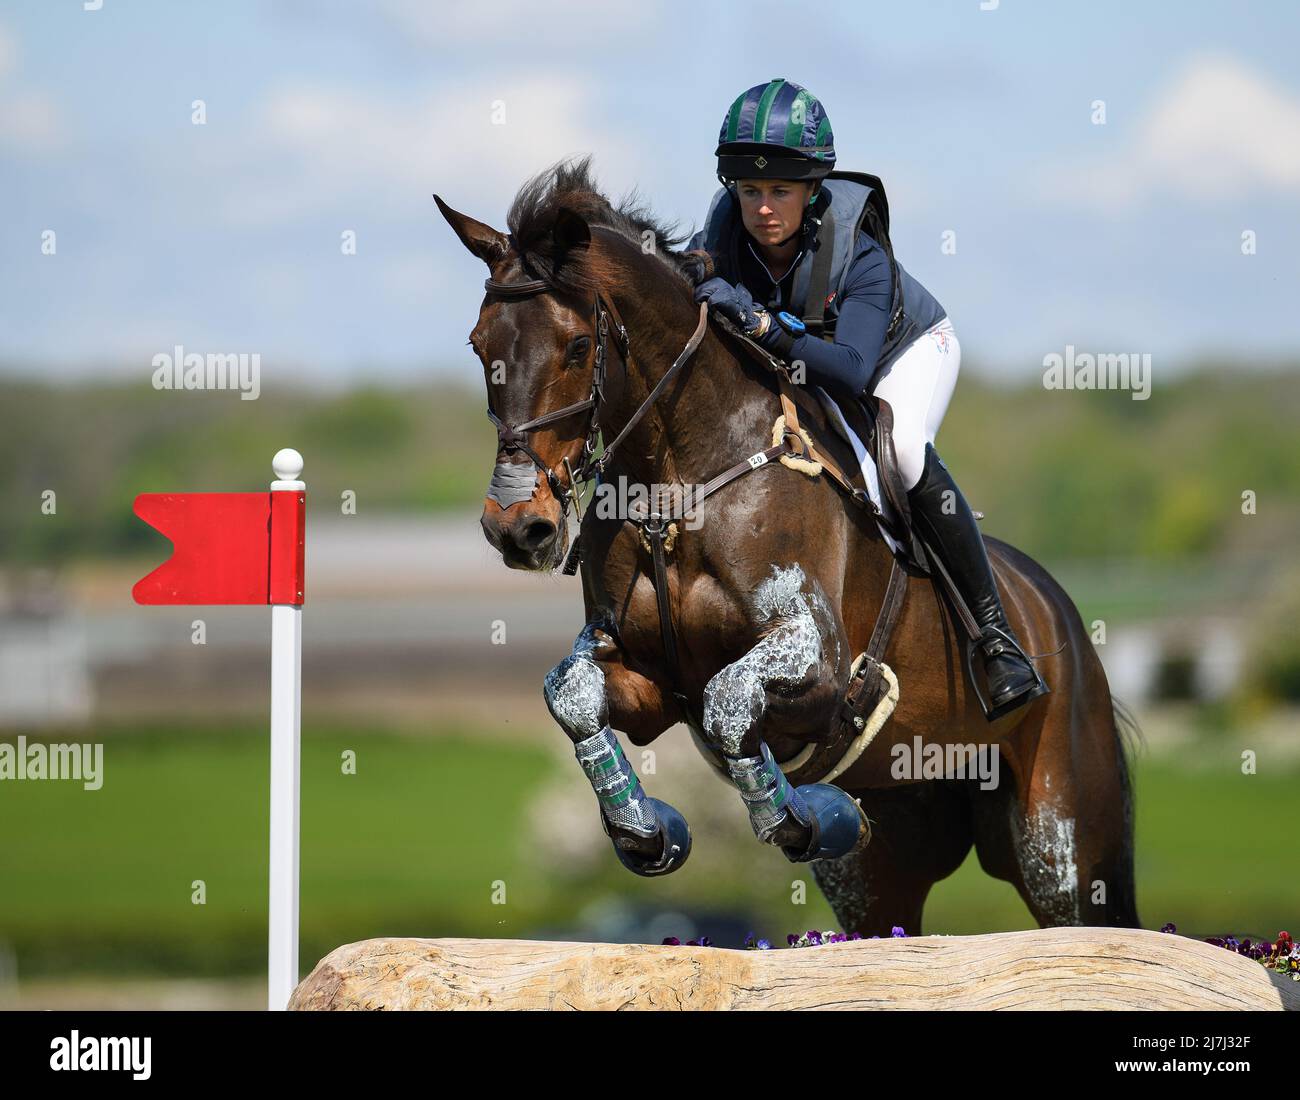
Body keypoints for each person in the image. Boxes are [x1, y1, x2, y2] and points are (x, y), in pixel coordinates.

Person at [683, 78, 1048, 721]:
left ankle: (996, 640)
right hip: (810, 364)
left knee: (901, 450)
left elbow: (851, 371)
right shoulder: (721, 236)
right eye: (749, 192)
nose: (763, 208)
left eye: (780, 191)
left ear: (812, 190)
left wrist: (764, 325)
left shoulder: (861, 257)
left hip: (899, 355)